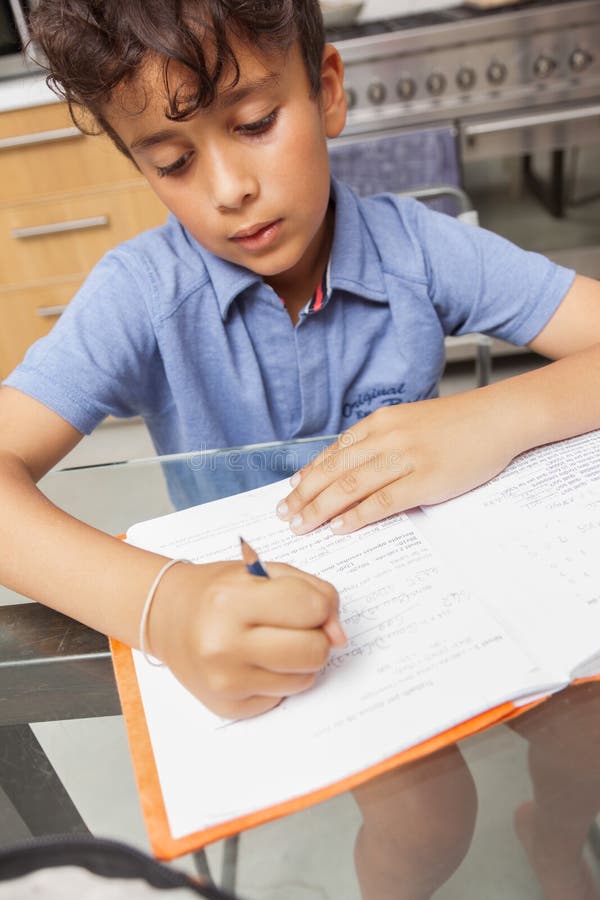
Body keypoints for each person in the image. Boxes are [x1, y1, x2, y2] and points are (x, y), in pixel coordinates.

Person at [1, 2, 600, 896]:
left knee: (589, 737)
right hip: (277, 620)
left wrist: (491, 417)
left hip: (442, 591)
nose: (229, 187)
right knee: (430, 819)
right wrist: (162, 606)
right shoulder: (140, 294)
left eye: (253, 124)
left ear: (325, 92)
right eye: (173, 160)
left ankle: (550, 832)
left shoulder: (418, 249)